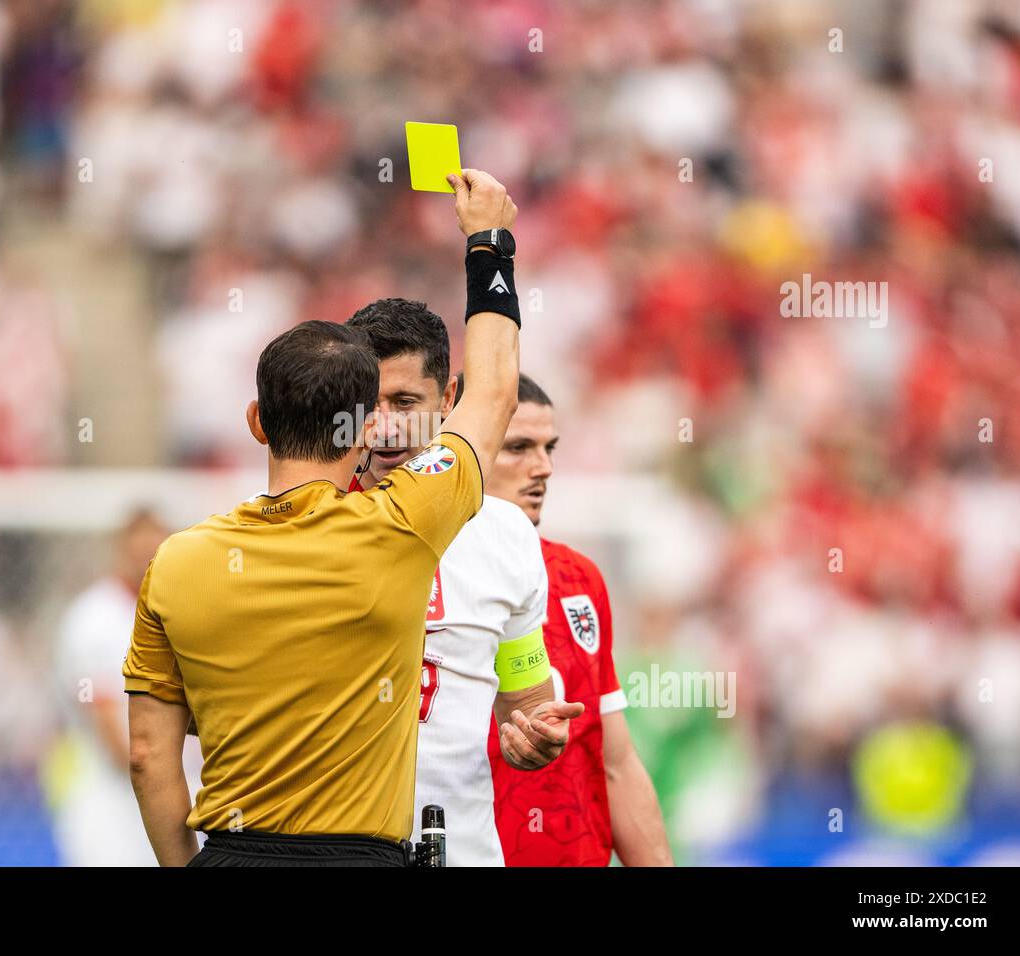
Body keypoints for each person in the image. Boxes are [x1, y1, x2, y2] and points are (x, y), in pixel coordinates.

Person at [122, 169, 541, 866]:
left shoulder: (179, 560)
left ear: (257, 423)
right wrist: (489, 245)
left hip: (230, 852)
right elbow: (494, 394)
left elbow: (146, 754)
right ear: (362, 428)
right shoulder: (400, 527)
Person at [345, 300, 584, 866]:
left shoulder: (504, 533)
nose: (387, 424)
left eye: (406, 402)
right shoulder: (298, 525)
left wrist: (532, 736)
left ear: (448, 400)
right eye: (367, 404)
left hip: (462, 850)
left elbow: (525, 700)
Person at [479, 373, 674, 866]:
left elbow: (616, 763)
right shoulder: (420, 579)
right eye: (518, 447)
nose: (542, 467)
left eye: (550, 448)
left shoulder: (578, 579)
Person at [51, 508, 205, 865]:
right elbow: (121, 743)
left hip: (180, 793)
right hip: (112, 808)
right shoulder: (94, 618)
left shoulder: (185, 610)